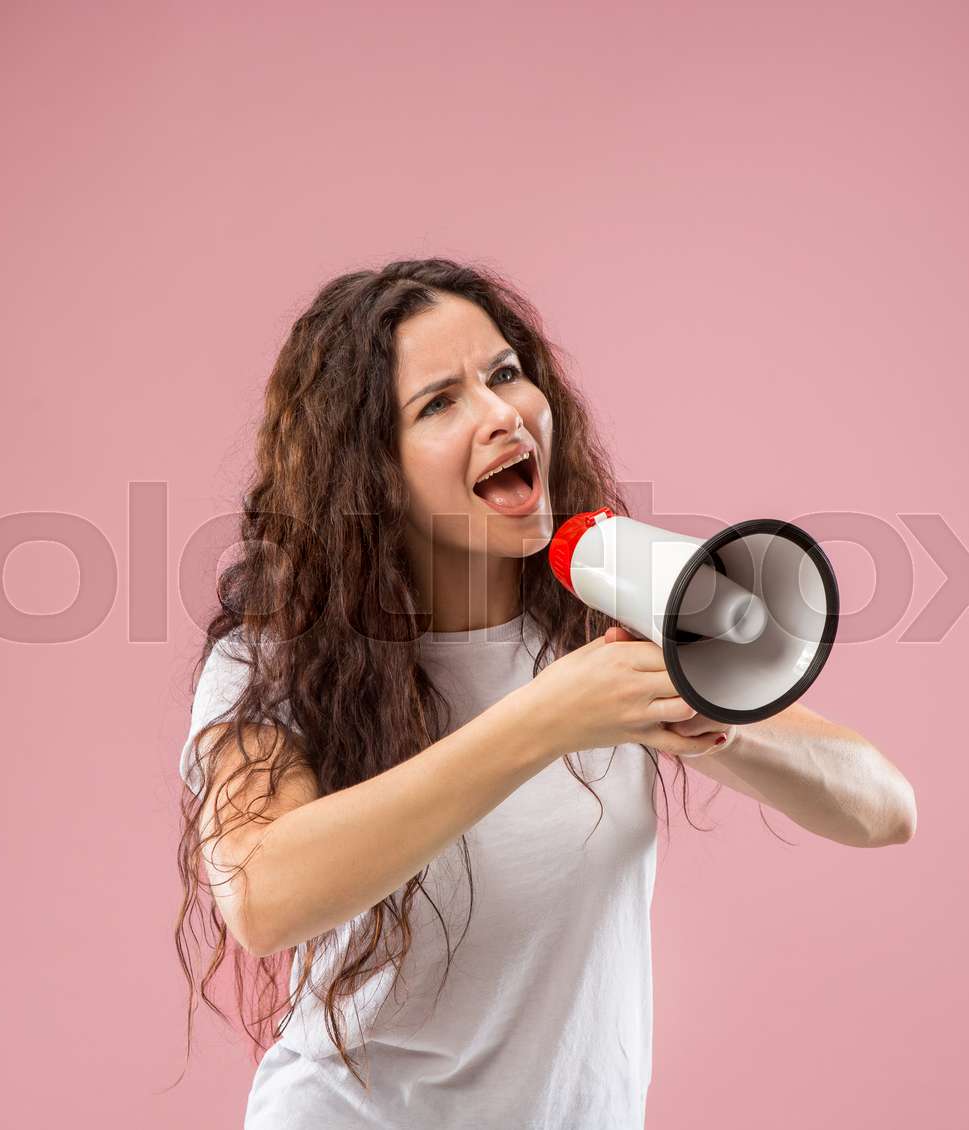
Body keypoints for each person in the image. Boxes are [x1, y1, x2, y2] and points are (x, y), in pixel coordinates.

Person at [174, 258, 914, 1127]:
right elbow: (262, 898)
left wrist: (714, 711)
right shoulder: (274, 663)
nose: (501, 414)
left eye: (504, 374)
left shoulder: (605, 628)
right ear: (370, 472)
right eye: (438, 403)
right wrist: (549, 718)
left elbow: (883, 808)